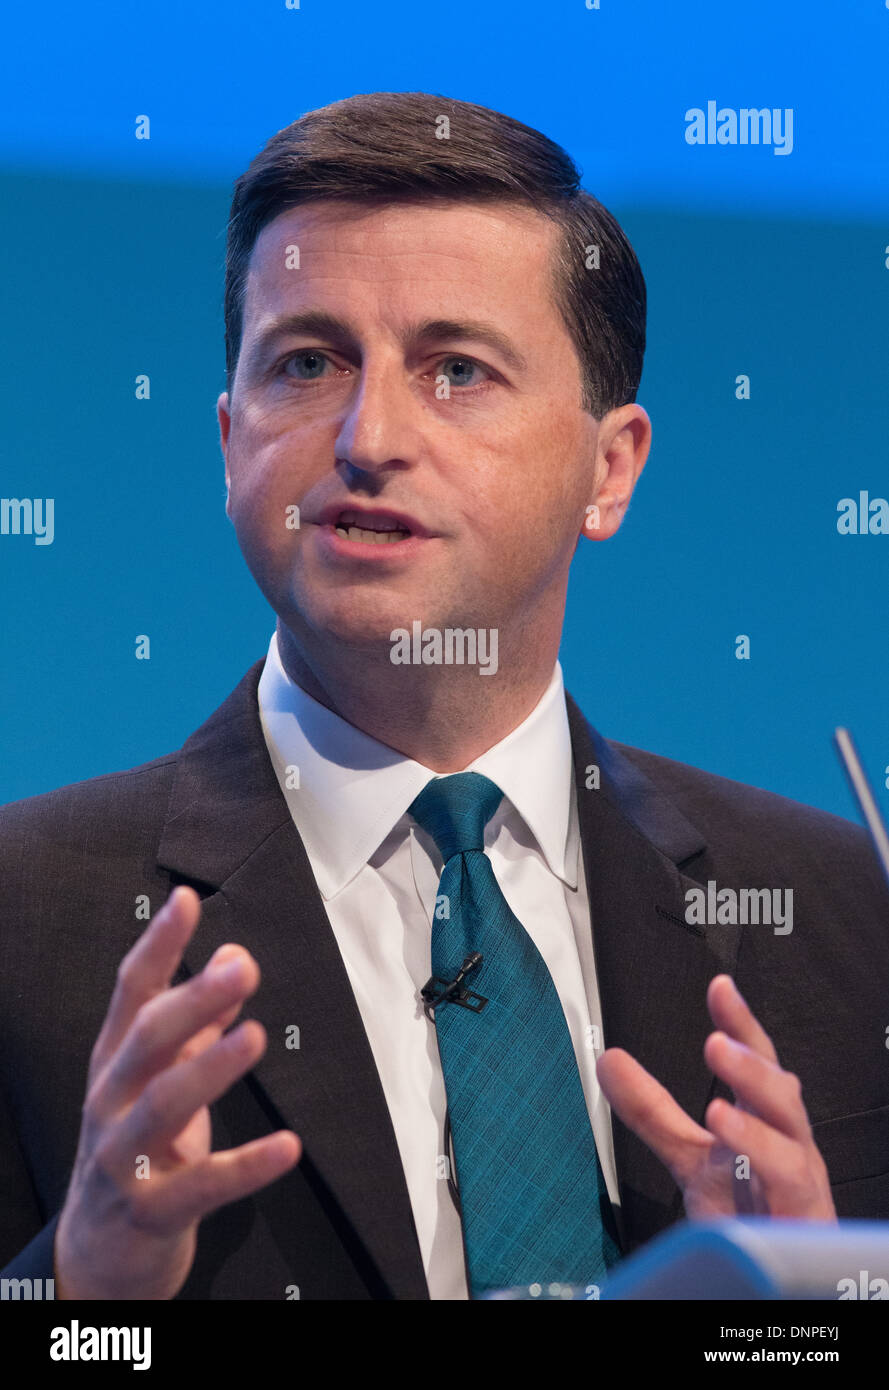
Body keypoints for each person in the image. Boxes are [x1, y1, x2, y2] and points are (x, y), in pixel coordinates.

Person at [1, 91, 887, 1302]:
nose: (368, 435)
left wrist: (814, 1319)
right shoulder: (24, 921)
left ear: (608, 466)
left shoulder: (846, 923)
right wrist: (88, 1293)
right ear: (227, 439)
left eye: (455, 370)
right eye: (307, 363)